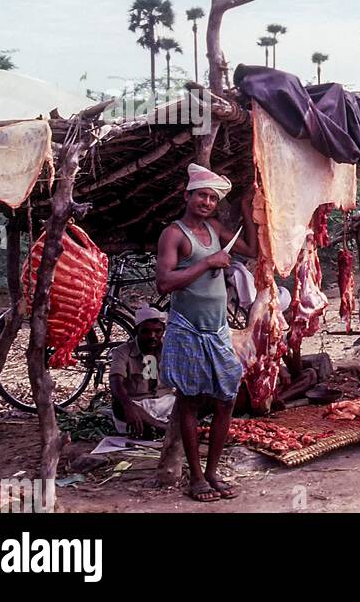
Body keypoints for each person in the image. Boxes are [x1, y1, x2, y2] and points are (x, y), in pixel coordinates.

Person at [156, 163, 255, 502]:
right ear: (187, 196)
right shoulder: (174, 234)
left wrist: (245, 209)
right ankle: (196, 477)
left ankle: (213, 471)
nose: (207, 202)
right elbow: (165, 282)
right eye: (202, 196)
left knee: (227, 397)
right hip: (187, 329)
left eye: (213, 198)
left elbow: (252, 251)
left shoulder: (214, 228)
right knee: (189, 402)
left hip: (217, 331)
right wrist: (206, 264)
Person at [108, 306, 175, 439]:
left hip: (166, 403)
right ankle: (163, 428)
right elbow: (115, 381)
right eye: (146, 331)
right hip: (138, 407)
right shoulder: (122, 351)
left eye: (157, 331)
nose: (152, 336)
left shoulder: (170, 349)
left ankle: (157, 428)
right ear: (136, 330)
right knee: (118, 404)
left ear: (163, 331)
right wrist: (128, 407)